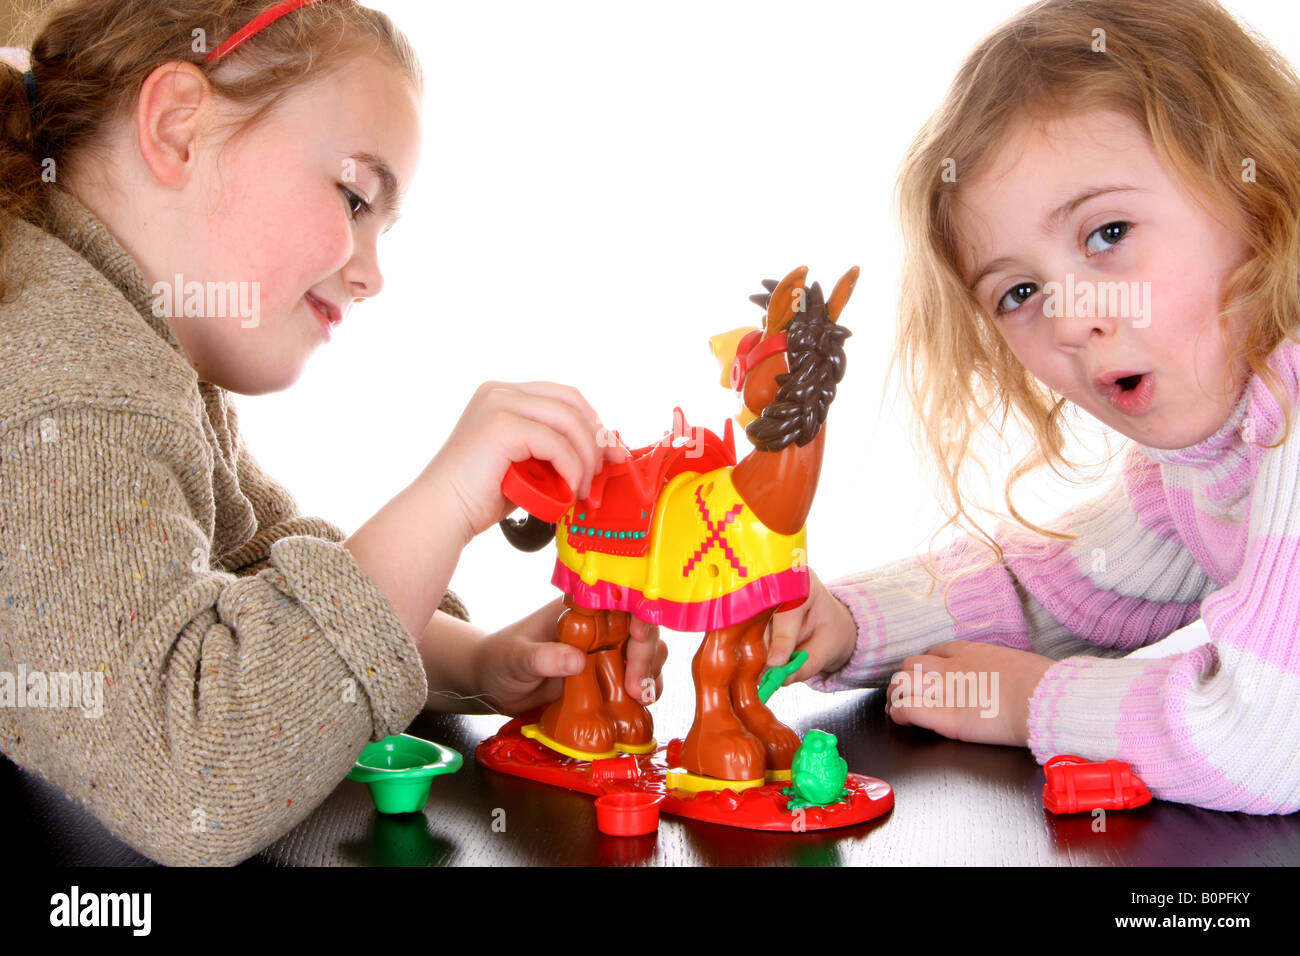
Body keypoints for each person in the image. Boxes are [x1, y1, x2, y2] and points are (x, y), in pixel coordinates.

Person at [0, 0, 662, 865]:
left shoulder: (127, 339)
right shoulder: (64, 382)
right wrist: (448, 500)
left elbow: (261, 566)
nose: (372, 273)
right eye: (354, 197)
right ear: (176, 127)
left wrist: (479, 661)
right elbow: (197, 774)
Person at [768, 0, 1300, 813]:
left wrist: (1033, 703)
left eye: (1108, 233)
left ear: (1257, 182)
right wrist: (845, 619)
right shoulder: (1208, 459)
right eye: (1020, 291)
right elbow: (1061, 586)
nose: (1070, 317)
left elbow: (1266, 743)